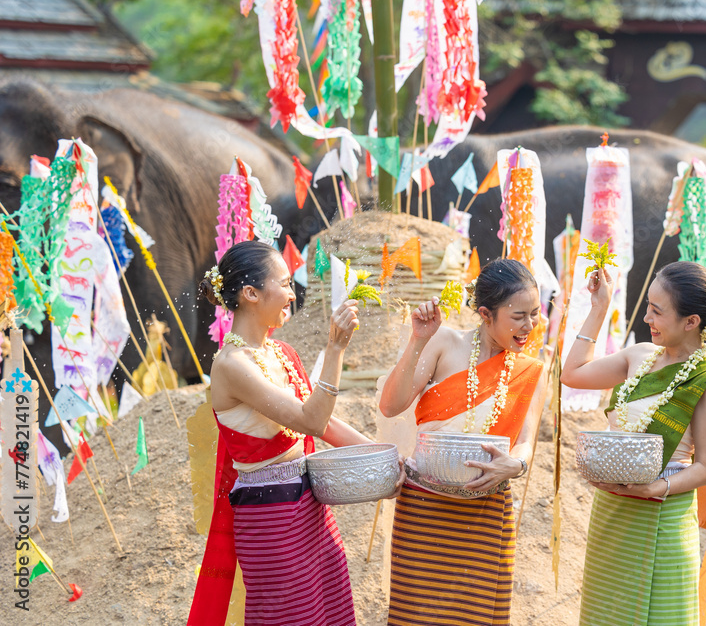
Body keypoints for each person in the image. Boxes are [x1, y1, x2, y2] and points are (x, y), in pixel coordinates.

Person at [188, 240, 381, 626]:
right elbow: (310, 421)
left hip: (310, 504)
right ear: (251, 294)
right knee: (293, 617)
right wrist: (335, 350)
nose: (293, 293)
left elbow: (324, 425)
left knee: (332, 611)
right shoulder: (231, 364)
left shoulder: (281, 352)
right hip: (270, 517)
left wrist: (383, 457)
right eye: (285, 283)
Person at [561, 261, 706, 626]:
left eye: (657, 311)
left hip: (662, 515)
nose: (646, 318)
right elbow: (572, 374)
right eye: (648, 307)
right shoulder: (639, 356)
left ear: (691, 322)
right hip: (612, 508)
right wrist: (598, 309)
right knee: (604, 615)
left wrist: (657, 487)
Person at [378, 258, 547, 626]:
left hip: (487, 512)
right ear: (486, 314)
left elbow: (527, 443)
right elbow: (390, 405)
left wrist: (515, 465)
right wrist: (418, 340)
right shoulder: (444, 343)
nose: (529, 326)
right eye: (518, 316)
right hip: (424, 511)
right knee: (415, 618)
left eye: (535, 314)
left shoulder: (531, 370)